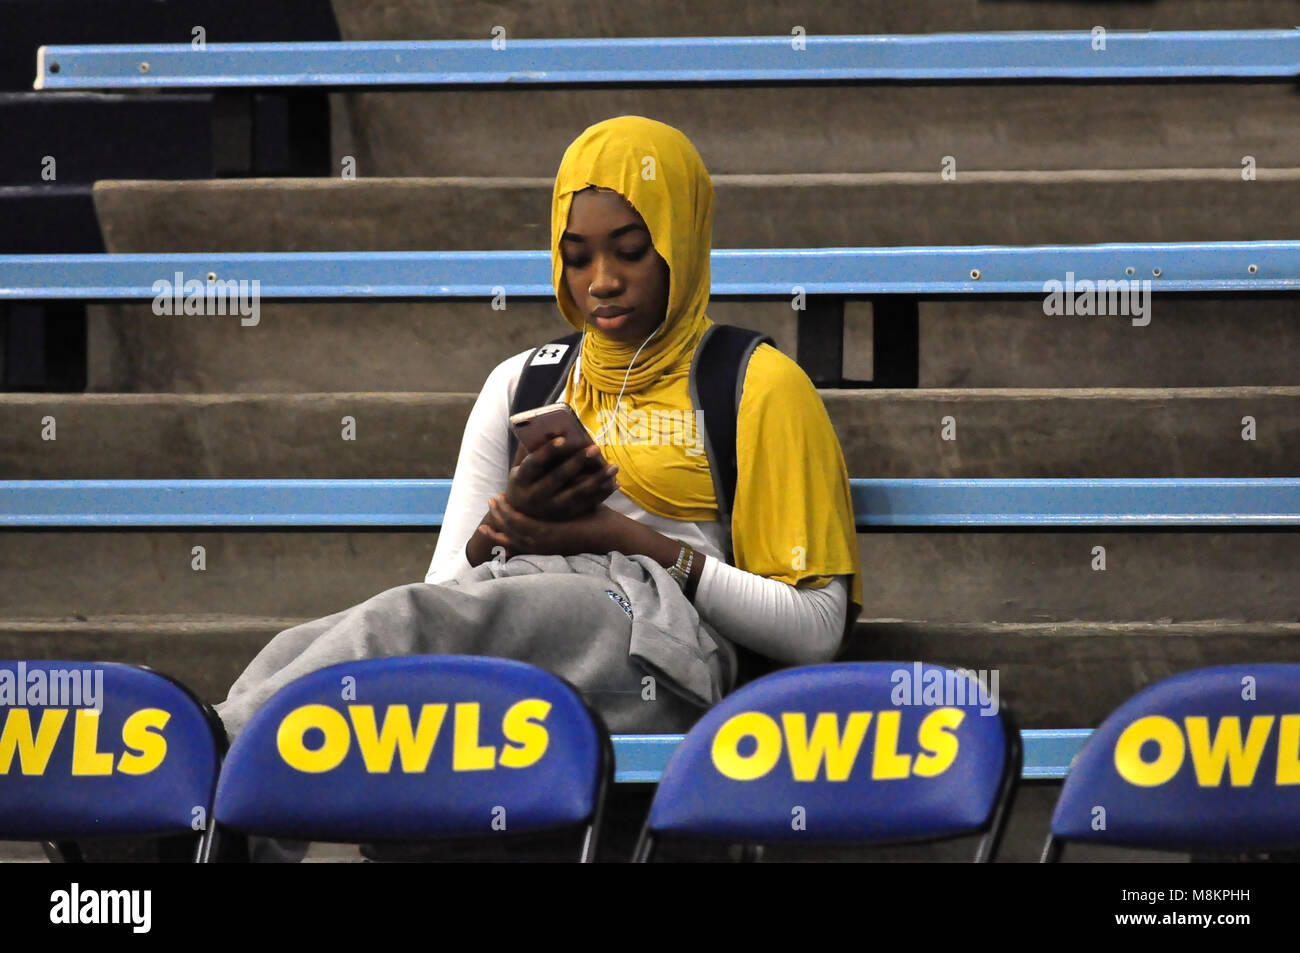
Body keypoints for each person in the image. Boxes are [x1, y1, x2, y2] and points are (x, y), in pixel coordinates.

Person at [214, 114, 862, 750]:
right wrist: (506, 526)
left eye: (630, 251)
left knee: (398, 627)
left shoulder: (754, 383)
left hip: (655, 641)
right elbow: (445, 591)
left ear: (681, 240)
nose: (601, 281)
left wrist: (619, 537)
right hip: (519, 608)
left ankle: (206, 750)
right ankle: (225, 775)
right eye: (577, 257)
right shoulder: (523, 382)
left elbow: (817, 629)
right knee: (296, 649)